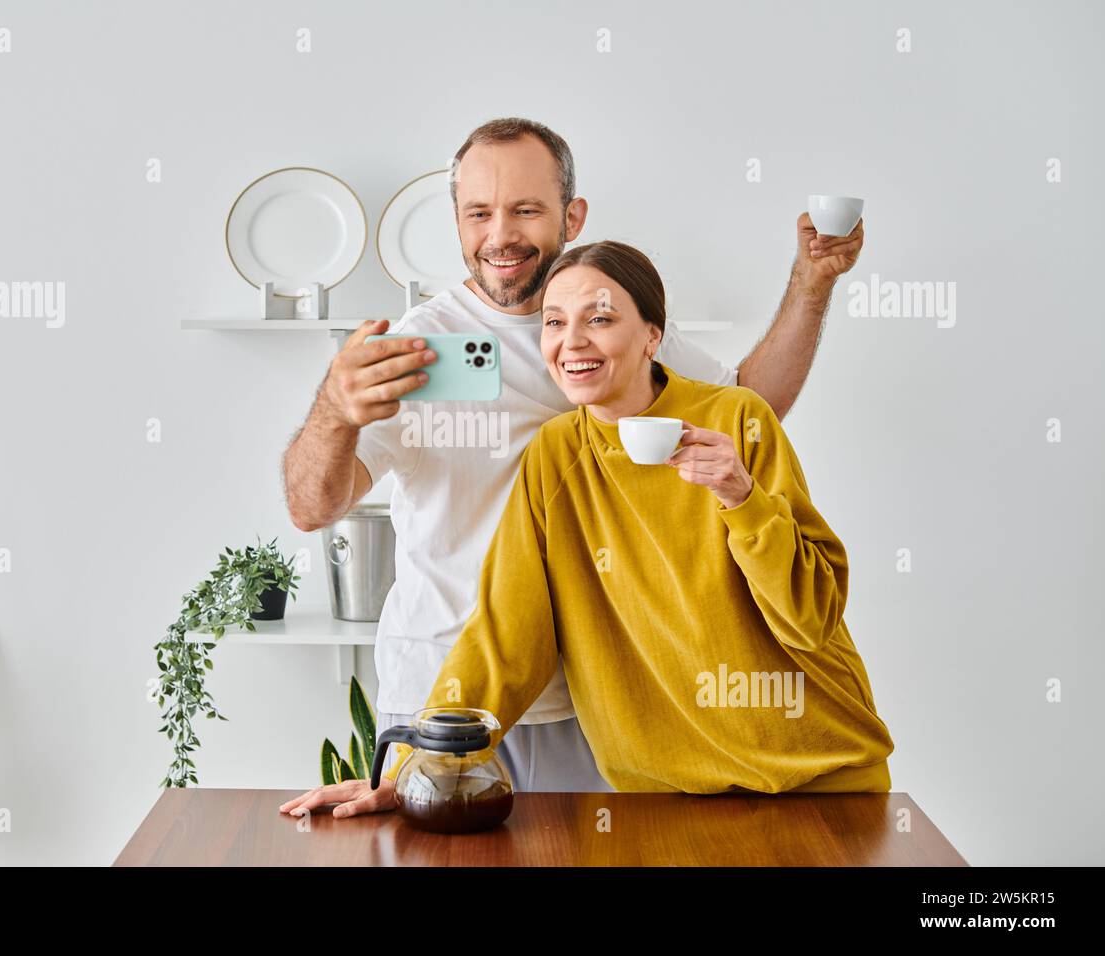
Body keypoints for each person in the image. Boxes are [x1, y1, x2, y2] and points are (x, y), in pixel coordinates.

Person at [279, 118, 865, 820]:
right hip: (447, 687)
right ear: (457, 222)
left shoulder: (618, 318)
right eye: (479, 213)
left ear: (571, 215)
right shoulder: (416, 349)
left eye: (526, 209)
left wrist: (811, 285)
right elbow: (312, 507)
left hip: (596, 691)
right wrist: (335, 412)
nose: (502, 234)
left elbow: (744, 408)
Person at [375, 240, 893, 805]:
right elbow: (507, 636)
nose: (572, 341)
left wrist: (741, 498)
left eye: (599, 318)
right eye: (554, 322)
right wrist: (411, 770)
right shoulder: (556, 455)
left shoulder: (737, 418)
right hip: (661, 799)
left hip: (820, 777)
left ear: (653, 336)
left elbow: (810, 617)